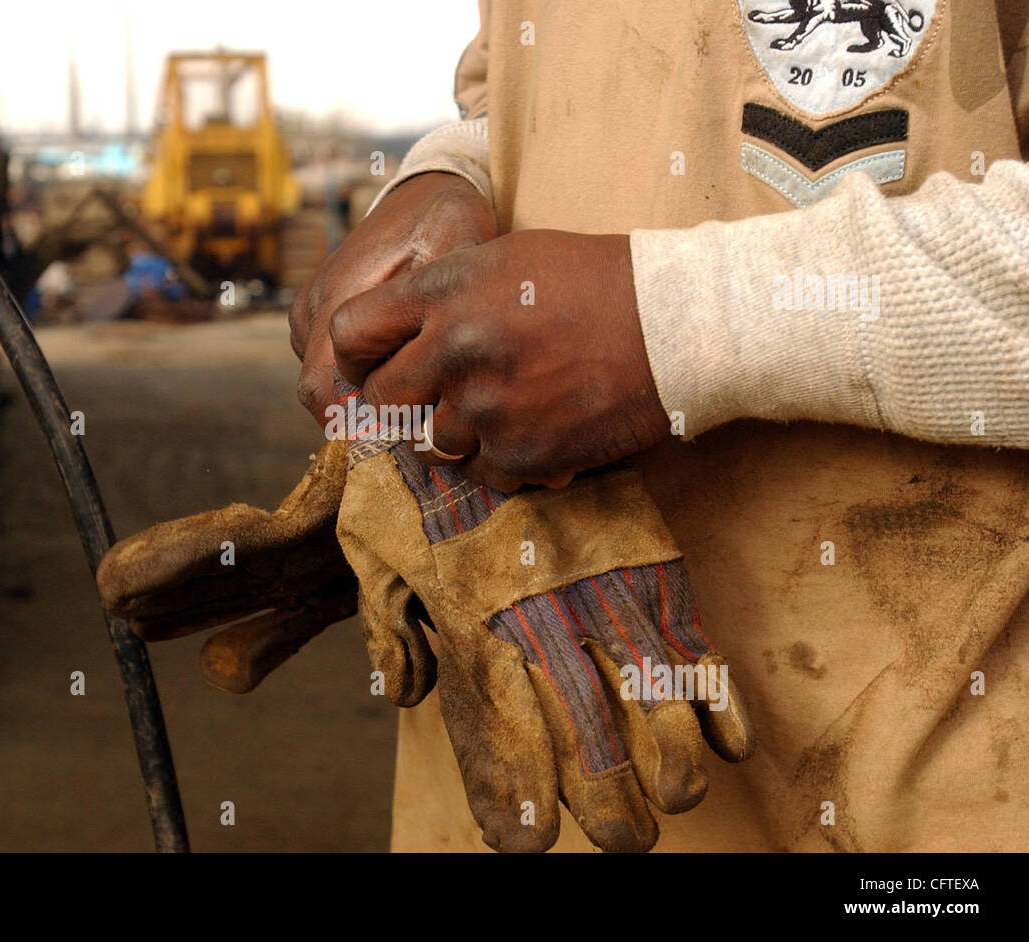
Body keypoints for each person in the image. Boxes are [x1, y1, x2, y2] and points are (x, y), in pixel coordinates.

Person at [289, 0, 1029, 851]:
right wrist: (440, 180)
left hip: (915, 782)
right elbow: (518, 92)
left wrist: (673, 323)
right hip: (536, 732)